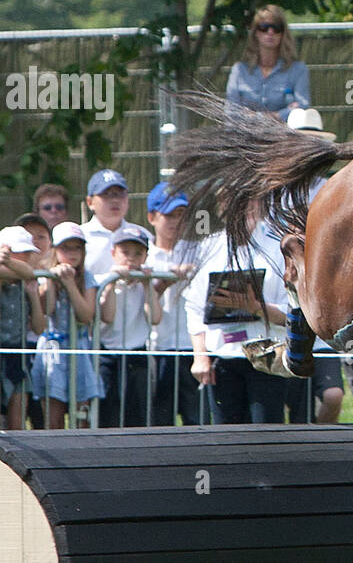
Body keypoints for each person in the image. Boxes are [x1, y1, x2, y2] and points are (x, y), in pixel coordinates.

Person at [185, 219, 290, 425]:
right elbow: (194, 307)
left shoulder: (278, 245)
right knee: (226, 440)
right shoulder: (209, 246)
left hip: (267, 359)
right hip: (222, 359)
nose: (243, 208)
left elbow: (293, 312)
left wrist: (256, 308)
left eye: (249, 199)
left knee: (268, 438)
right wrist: (200, 356)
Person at [30, 222, 103, 430]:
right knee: (53, 418)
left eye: (77, 247)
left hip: (80, 350)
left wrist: (70, 284)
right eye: (66, 248)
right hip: (53, 350)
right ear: (55, 250)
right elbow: (47, 309)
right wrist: (52, 281)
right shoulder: (47, 275)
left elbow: (86, 315)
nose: (72, 253)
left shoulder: (87, 278)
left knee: (83, 416)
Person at [146, 182, 201, 426]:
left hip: (192, 349)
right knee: (159, 422)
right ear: (152, 217)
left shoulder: (198, 251)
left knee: (197, 420)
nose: (176, 221)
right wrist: (163, 283)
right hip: (157, 349)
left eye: (181, 215)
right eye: (169, 215)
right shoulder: (141, 254)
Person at [97, 225, 162, 427]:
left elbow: (155, 318)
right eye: (125, 252)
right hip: (108, 356)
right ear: (113, 253)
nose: (131, 259)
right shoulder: (103, 281)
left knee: (138, 415)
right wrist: (111, 283)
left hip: (137, 356)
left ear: (146, 256)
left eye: (138, 253)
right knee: (109, 414)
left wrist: (147, 285)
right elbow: (107, 316)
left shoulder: (145, 284)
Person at [226, 4, 310, 115]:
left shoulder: (298, 70)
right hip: (245, 132)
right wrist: (285, 112)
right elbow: (231, 112)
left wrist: (271, 117)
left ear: (283, 33)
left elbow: (302, 107)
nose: (270, 32)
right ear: (256, 32)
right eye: (264, 27)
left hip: (285, 132)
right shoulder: (239, 71)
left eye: (276, 28)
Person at [0, 226, 45, 429]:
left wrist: (34, 295)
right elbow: (24, 271)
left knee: (17, 425)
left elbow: (39, 328)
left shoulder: (27, 282)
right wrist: (10, 265)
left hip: (18, 356)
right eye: (21, 253)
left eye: (28, 253)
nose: (26, 258)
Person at [82, 169, 132, 278]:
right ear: (90, 202)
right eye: (106, 194)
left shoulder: (141, 235)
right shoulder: (80, 236)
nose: (115, 200)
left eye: (120, 194)